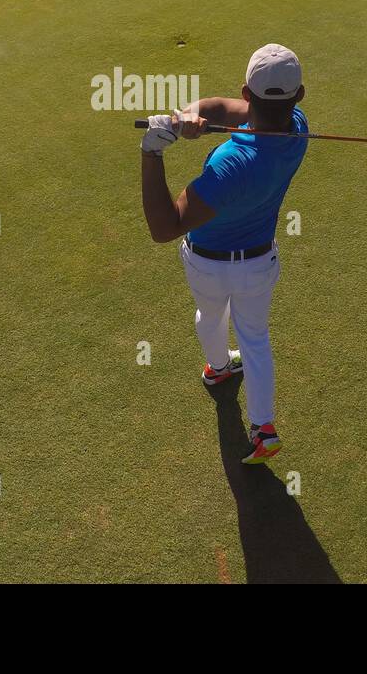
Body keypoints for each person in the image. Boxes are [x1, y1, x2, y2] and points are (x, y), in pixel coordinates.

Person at [138, 43, 308, 464]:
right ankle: (263, 429)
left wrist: (152, 152)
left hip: (207, 264)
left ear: (247, 92)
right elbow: (219, 107)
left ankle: (217, 368)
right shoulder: (299, 128)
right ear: (298, 95)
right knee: (254, 338)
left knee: (210, 315)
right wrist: (186, 117)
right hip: (258, 264)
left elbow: (164, 227)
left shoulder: (231, 163)